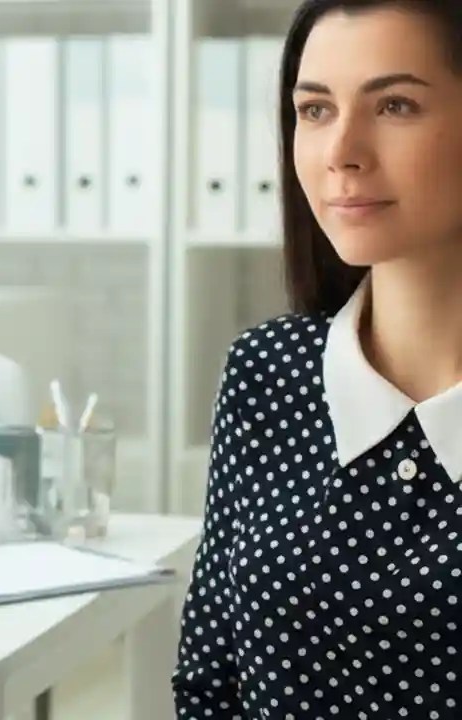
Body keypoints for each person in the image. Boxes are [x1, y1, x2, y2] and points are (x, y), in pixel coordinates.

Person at [173, 0, 462, 717]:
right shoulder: (266, 371)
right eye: (315, 110)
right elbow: (210, 682)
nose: (341, 152)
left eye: (394, 105)